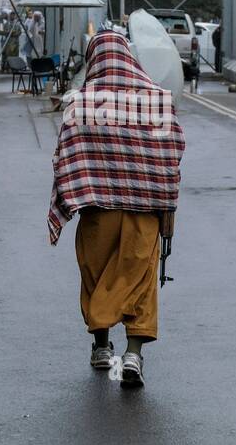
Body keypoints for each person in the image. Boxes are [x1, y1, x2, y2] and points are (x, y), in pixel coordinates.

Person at [47, 30, 186, 388]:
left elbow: (65, 157)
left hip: (98, 212)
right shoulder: (156, 100)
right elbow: (172, 154)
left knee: (96, 275)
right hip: (145, 213)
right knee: (139, 282)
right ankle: (134, 354)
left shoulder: (81, 103)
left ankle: (101, 347)